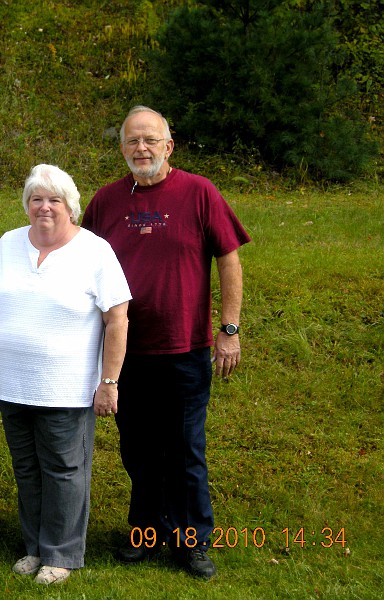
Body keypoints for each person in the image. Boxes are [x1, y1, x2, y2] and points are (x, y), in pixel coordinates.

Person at [82, 105, 252, 580]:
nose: (141, 149)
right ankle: (146, 532)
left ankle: (192, 540)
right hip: (125, 353)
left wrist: (229, 328)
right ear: (122, 149)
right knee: (137, 450)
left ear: (168, 146)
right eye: (132, 141)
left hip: (185, 350)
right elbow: (81, 263)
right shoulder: (106, 201)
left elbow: (229, 259)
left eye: (150, 140)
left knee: (184, 449)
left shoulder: (199, 192)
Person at [0, 164, 131, 585]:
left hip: (66, 388)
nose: (44, 207)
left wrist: (109, 381)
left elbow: (117, 319)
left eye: (54, 199)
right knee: (26, 468)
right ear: (26, 205)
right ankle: (35, 547)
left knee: (65, 470)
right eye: (36, 199)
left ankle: (62, 554)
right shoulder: (8, 244)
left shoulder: (95, 251)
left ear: (71, 206)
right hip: (11, 383)